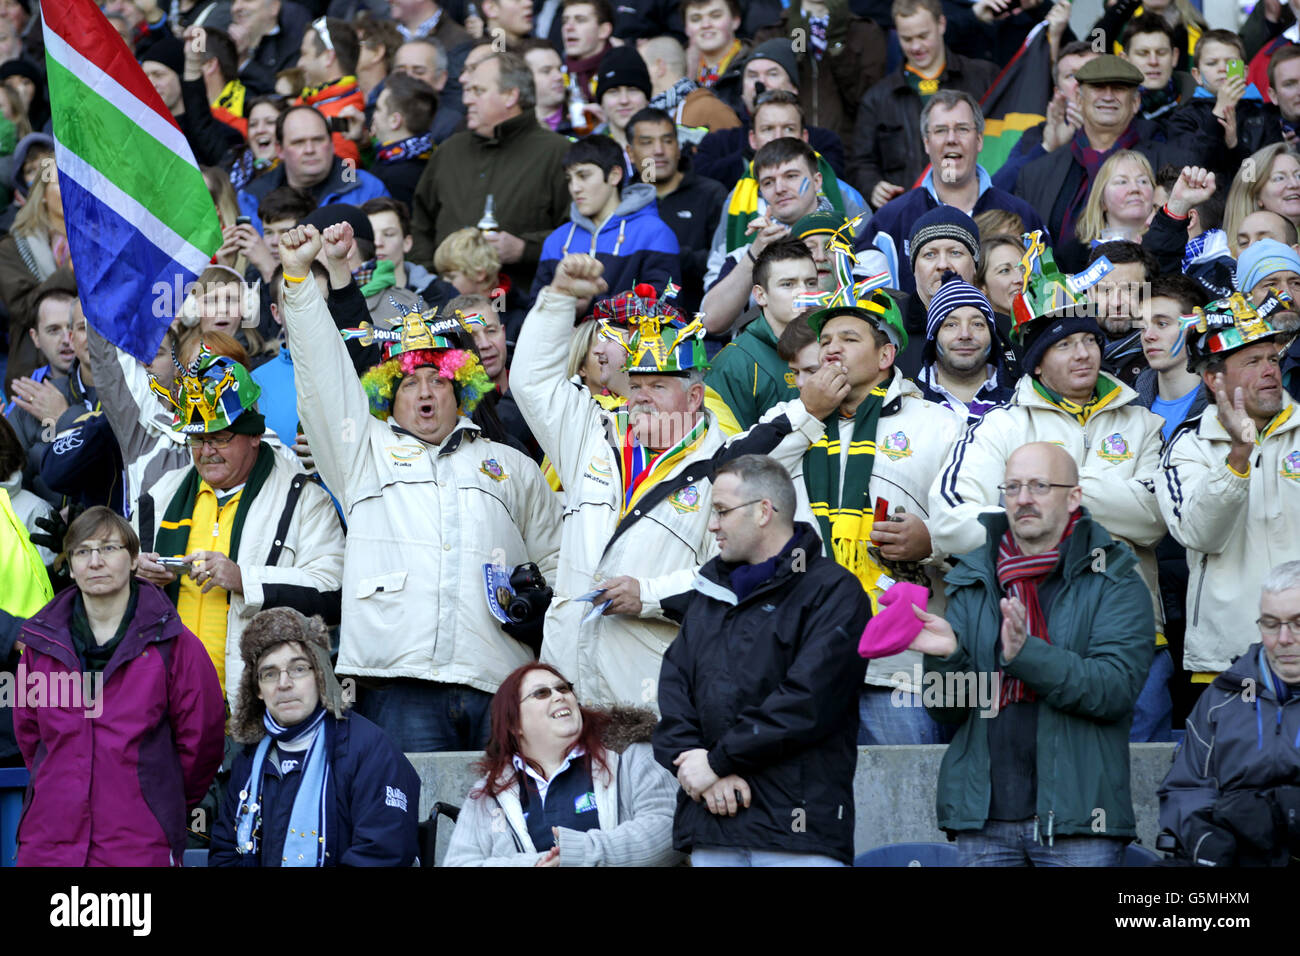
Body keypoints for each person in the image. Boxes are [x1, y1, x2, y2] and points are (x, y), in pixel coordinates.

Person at [278, 222, 561, 752]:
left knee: (504, 832)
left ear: (463, 388)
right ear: (388, 392)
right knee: (400, 829)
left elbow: (559, 566)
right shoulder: (359, 450)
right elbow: (322, 374)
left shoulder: (512, 465)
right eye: (410, 382)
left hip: (498, 681)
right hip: (396, 682)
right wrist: (298, 280)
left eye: (439, 380)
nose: (426, 393)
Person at [511, 253, 839, 709]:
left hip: (655, 696)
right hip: (569, 691)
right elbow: (531, 381)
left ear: (695, 395)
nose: (641, 398)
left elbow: (741, 573)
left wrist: (648, 595)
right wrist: (560, 298)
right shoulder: (589, 436)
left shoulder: (724, 466)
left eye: (659, 386)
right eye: (637, 384)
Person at [930, 252, 1171, 741]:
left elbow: (1153, 517)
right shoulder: (1001, 425)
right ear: (1038, 362)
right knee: (1048, 782)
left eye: (1090, 341)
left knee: (1143, 785)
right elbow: (951, 520)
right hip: (1031, 634)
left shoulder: (1146, 424)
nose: (1083, 354)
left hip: (1131, 633)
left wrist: (1047, 491)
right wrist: (1054, 508)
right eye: (1065, 345)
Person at [915, 442, 1155, 866]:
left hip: (1078, 821)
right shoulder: (974, 576)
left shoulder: (1114, 577)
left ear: (1074, 496)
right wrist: (946, 657)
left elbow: (1114, 690)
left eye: (1040, 486)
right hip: (984, 820)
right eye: (1012, 487)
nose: (1023, 498)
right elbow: (948, 711)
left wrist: (1026, 655)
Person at [653, 454, 869, 866]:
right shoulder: (710, 592)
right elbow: (674, 689)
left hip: (796, 833)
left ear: (764, 511)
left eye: (721, 511)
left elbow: (809, 702)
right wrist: (698, 772)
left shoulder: (832, 590)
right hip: (713, 823)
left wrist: (715, 762)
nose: (712, 525)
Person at [796, 280, 961, 744]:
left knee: (908, 799)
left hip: (898, 662)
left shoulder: (937, 424)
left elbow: (975, 523)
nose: (832, 351)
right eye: (825, 341)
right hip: (808, 660)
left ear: (886, 356)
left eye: (849, 340)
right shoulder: (794, 423)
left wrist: (933, 542)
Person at [132, 349, 345, 707]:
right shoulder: (160, 496)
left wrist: (244, 580)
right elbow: (119, 591)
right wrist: (137, 574)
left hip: (263, 711)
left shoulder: (304, 498)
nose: (207, 451)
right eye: (198, 439)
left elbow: (333, 592)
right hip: (170, 710)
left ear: (254, 436)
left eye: (220, 437)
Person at [14, 506, 225, 866]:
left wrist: (158, 801)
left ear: (132, 560)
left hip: (139, 843)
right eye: (83, 551)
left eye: (109, 548)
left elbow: (202, 742)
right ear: (70, 564)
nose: (95, 561)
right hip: (49, 844)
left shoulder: (176, 645)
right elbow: (31, 738)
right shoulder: (39, 646)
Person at [1156, 293, 1300, 687]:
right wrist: (1239, 456)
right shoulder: (1186, 445)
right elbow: (1200, 534)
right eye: (1252, 362)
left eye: (1272, 359)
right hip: (1226, 660)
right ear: (1212, 378)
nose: (1269, 371)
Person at [209, 607, 421, 866]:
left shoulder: (369, 750)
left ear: (319, 675)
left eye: (298, 669)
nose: (283, 683)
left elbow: (382, 854)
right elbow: (225, 853)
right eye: (270, 673)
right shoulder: (249, 761)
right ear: (258, 690)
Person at [444, 661, 681, 866]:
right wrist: (537, 864)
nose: (559, 696)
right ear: (514, 724)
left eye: (564, 689)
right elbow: (459, 863)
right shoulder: (488, 793)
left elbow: (667, 830)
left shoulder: (630, 755)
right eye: (542, 693)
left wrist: (578, 854)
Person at [1158, 560, 1300, 866]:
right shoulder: (1224, 695)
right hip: (1236, 856)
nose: (1285, 638)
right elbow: (1185, 786)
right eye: (1271, 624)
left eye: (1298, 622)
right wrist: (1201, 836)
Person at [1013, 54, 1200, 274]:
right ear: (1080, 100)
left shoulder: (1178, 162)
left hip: (1152, 293)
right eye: (1098, 87)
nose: (1108, 96)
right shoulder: (1036, 173)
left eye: (1119, 88)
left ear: (1135, 102)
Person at [409, 51, 570, 301]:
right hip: (446, 310)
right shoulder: (449, 150)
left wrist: (525, 250)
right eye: (468, 91)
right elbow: (420, 226)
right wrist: (433, 283)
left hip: (523, 309)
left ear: (510, 96)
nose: (467, 100)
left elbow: (578, 234)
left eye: (478, 91)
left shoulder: (558, 153)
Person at [858, 90, 1045, 297]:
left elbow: (1047, 296)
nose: (951, 139)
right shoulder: (890, 220)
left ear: (980, 139)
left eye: (962, 129)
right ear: (926, 143)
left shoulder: (1022, 215)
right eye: (940, 130)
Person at [847, 0, 997, 211]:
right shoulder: (877, 97)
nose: (916, 47)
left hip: (979, 207)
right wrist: (873, 186)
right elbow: (860, 162)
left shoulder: (984, 77)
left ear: (942, 24)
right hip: (910, 215)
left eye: (923, 36)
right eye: (906, 39)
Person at [529, 134, 680, 309]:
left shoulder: (654, 232)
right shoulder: (556, 239)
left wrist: (590, 305)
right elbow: (535, 311)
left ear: (614, 175)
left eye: (583, 176)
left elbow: (665, 308)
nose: (574, 188)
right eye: (570, 179)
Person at [705, 238, 819, 429]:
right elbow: (727, 450)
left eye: (811, 283)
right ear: (760, 295)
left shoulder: (834, 346)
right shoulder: (733, 363)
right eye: (788, 284)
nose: (803, 292)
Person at [625, 106, 728, 316]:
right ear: (630, 153)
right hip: (631, 327)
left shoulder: (710, 193)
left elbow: (726, 263)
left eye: (667, 140)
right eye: (647, 142)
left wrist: (670, 254)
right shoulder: (622, 200)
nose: (659, 150)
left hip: (699, 328)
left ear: (678, 146)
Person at [751, 0, 885, 146]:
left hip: (847, 153)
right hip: (786, 150)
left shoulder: (865, 32)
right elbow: (761, 102)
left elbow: (867, 102)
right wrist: (796, 46)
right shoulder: (771, 34)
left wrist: (837, 46)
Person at [236, 105, 389, 233]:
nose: (309, 149)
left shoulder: (366, 187)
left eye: (318, 140)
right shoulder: (252, 198)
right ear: (279, 149)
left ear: (331, 143)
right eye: (298, 142)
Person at [918, 272, 1016, 424]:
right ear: (933, 337)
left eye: (977, 324)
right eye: (951, 325)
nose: (965, 334)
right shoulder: (910, 407)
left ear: (992, 338)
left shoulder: (1018, 407)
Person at [1074, 150, 1157, 247]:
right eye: (1122, 182)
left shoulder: (1169, 249)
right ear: (1102, 200)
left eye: (1143, 181)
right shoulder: (1070, 258)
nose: (1135, 188)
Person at [228, 0, 311, 95]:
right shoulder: (221, 42)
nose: (236, 7)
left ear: (274, 7)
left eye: (248, 0)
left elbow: (286, 92)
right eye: (233, 2)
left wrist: (244, 62)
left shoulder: (296, 46)